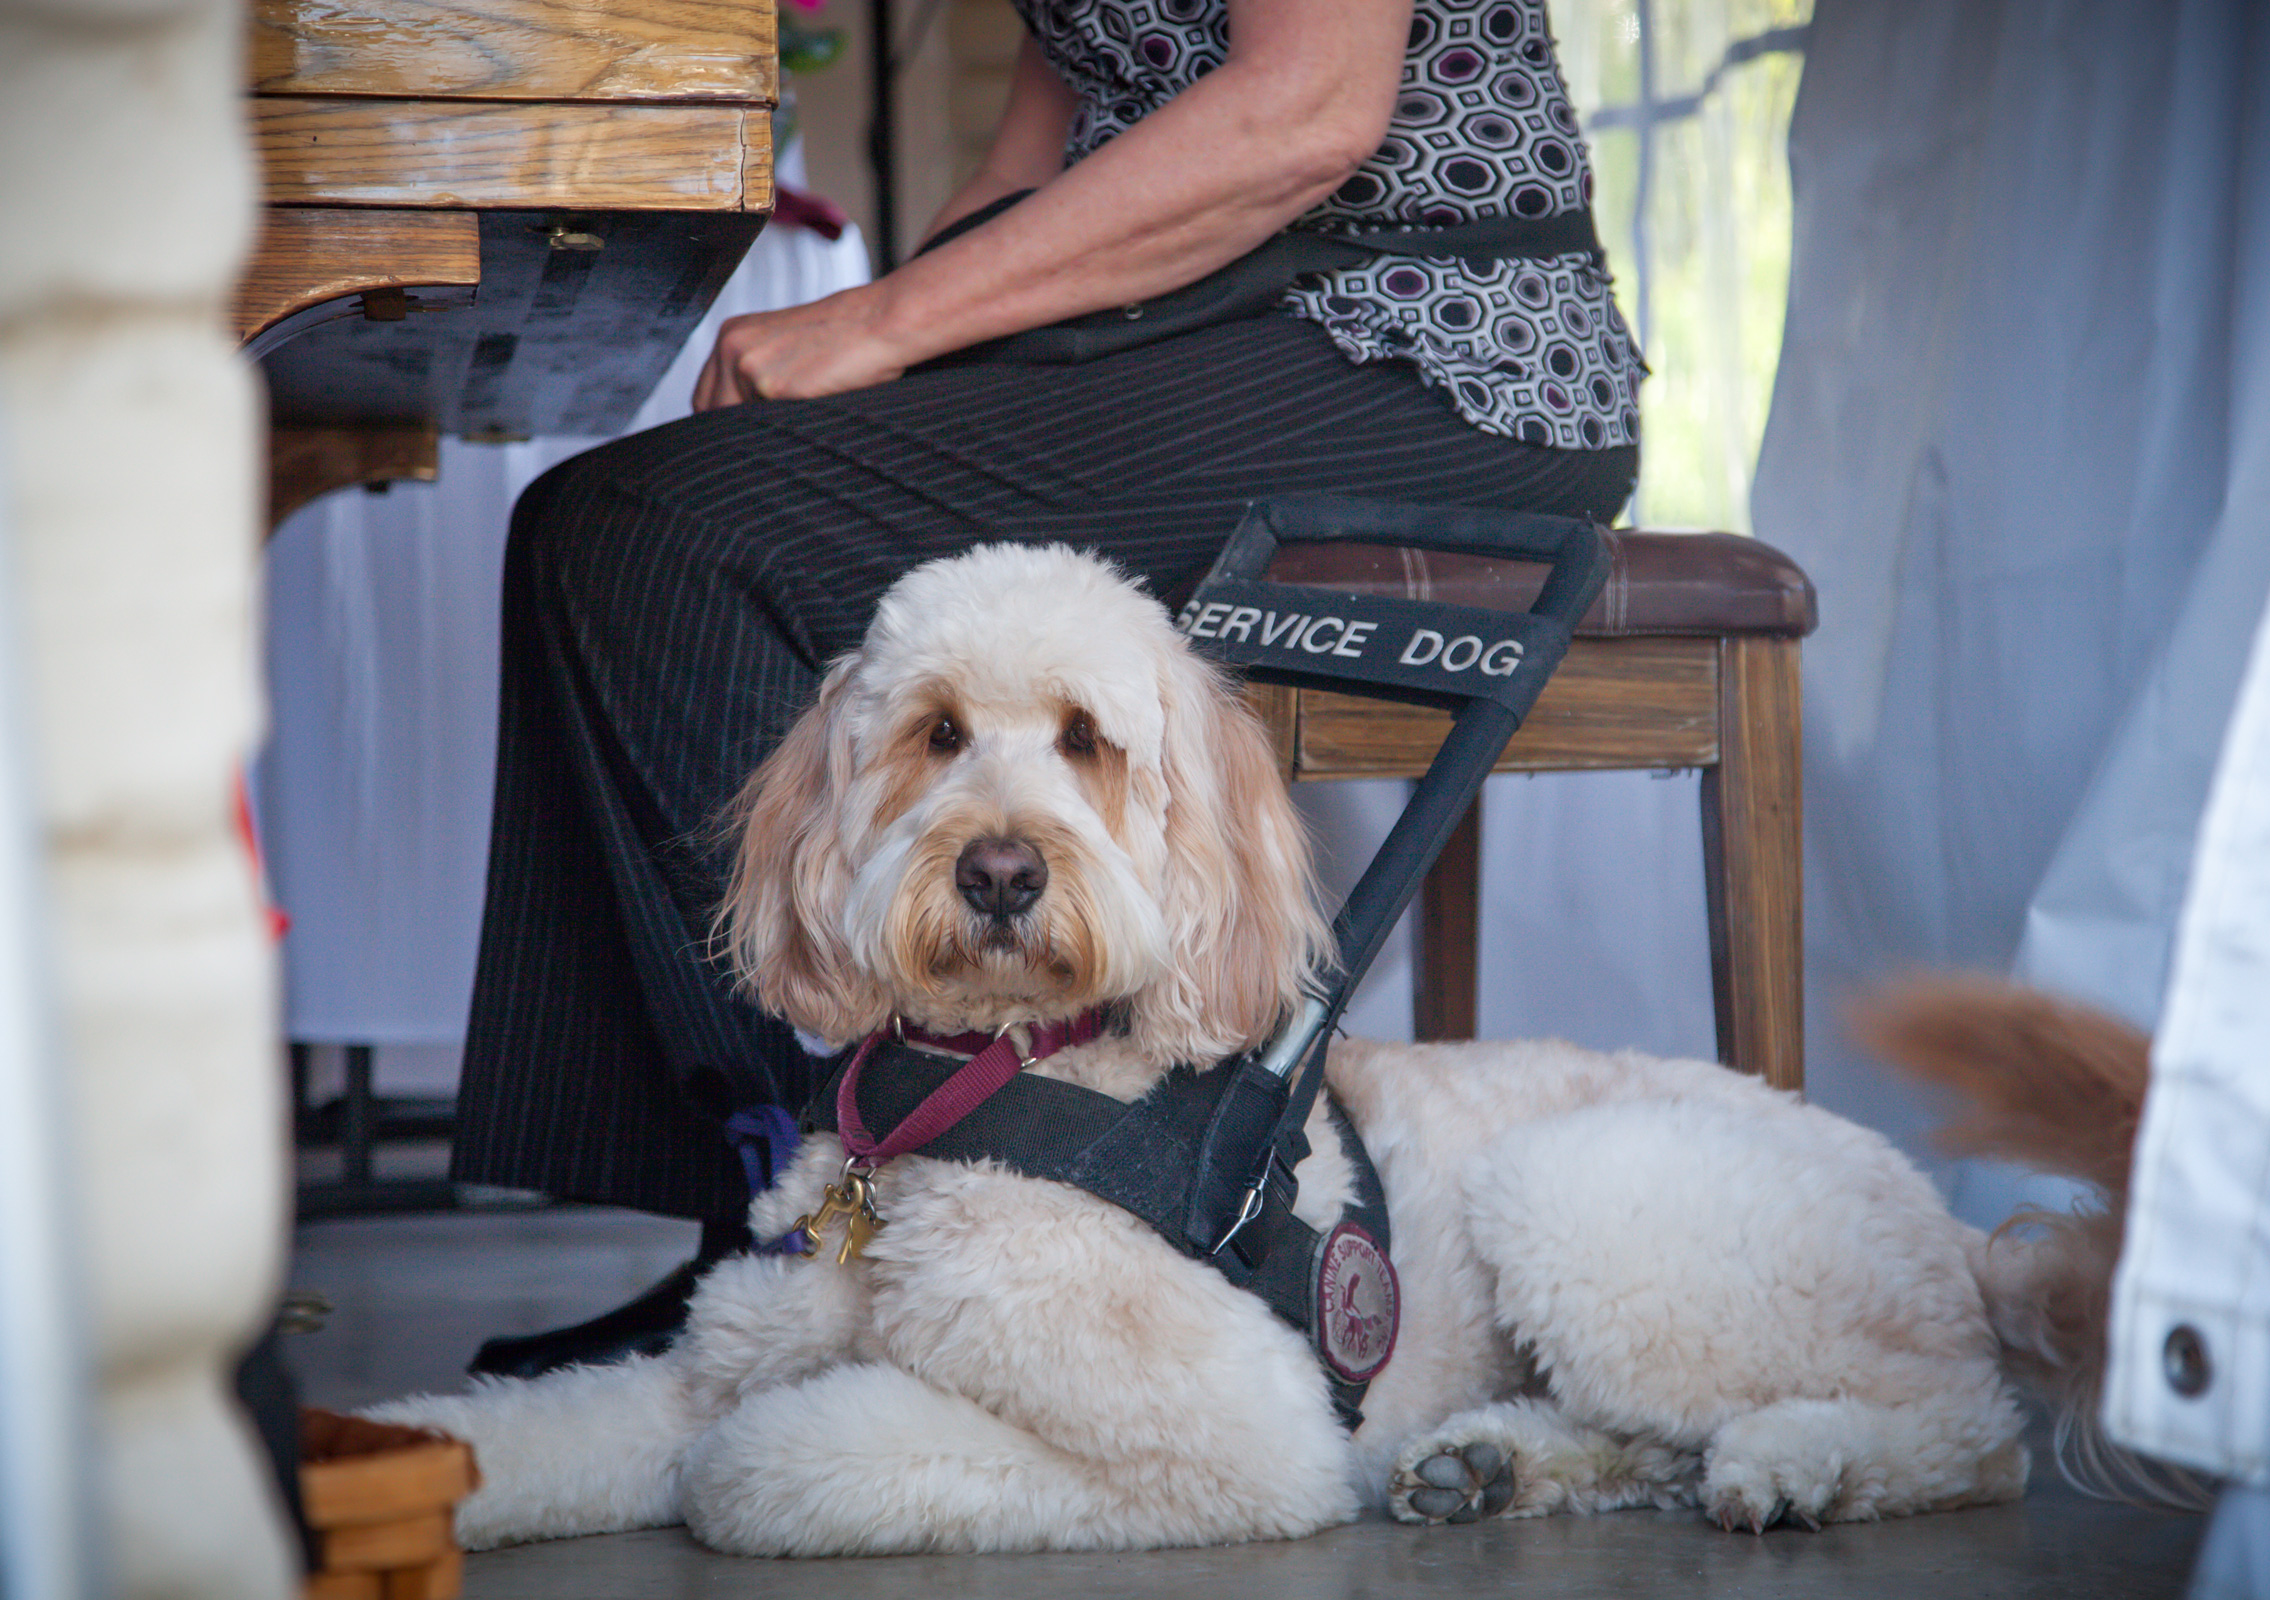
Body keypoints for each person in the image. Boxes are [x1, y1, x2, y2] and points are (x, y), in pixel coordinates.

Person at [455, 0, 1644, 1376]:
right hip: (1189, 327)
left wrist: (878, 322)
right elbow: (1026, 165)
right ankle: (798, 1214)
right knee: (621, 518)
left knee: (653, 532)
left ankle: (819, 1208)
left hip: (1427, 343)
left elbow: (1310, 109)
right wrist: (869, 363)